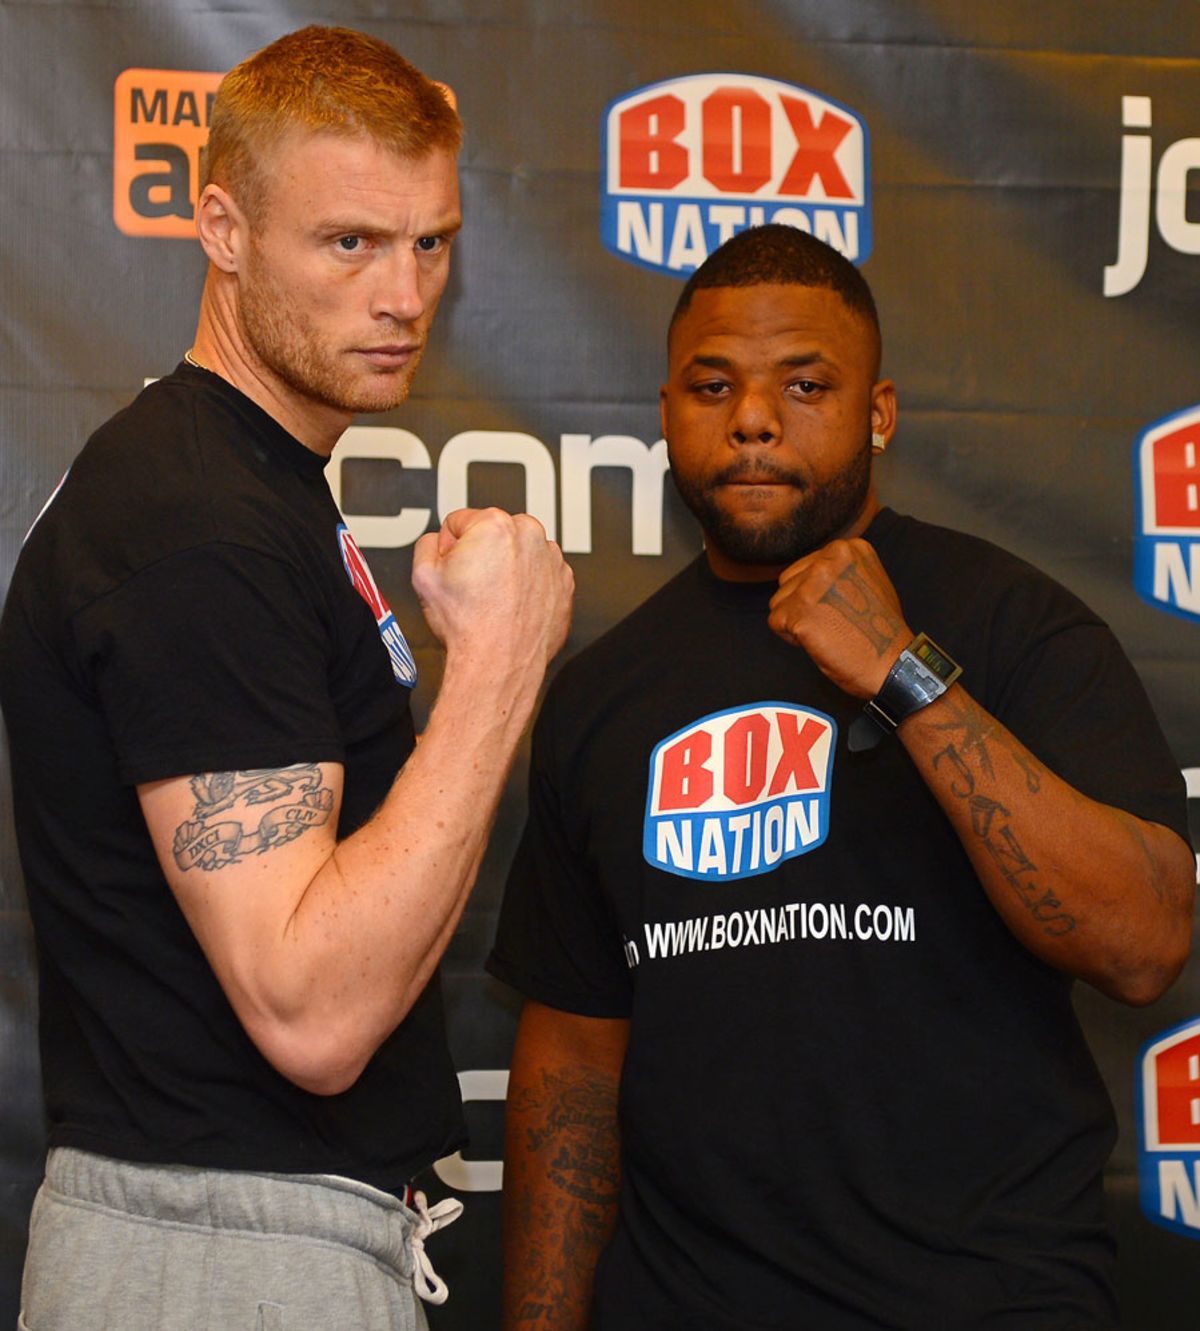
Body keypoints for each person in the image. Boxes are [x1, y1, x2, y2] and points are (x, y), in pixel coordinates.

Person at [488, 224, 1194, 1330]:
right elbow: (574, 1062)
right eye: (713, 386)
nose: (753, 418)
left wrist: (904, 672)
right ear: (666, 410)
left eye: (805, 385)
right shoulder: (602, 692)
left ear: (880, 411)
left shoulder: (1013, 625)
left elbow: (1144, 942)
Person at [0, 25, 572, 1331]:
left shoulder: (244, 489)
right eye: (350, 242)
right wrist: (497, 663)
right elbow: (312, 1011)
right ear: (224, 229)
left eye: (432, 241)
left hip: (235, 1238)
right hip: (216, 1253)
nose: (405, 294)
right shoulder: (199, 522)